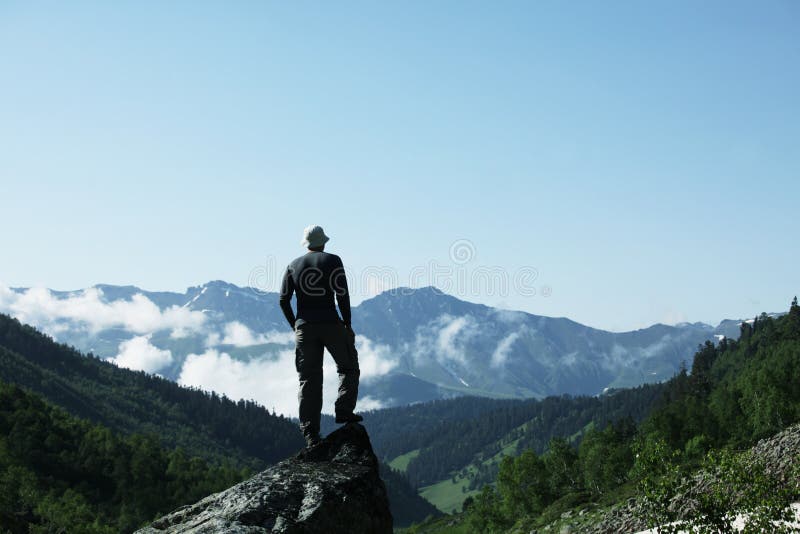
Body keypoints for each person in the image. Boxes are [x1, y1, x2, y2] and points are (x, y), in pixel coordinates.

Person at [279, 225, 361, 447]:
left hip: (305, 326)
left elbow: (283, 301)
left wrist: (295, 325)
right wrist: (347, 324)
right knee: (348, 367)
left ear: (306, 243)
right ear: (323, 241)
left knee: (309, 379)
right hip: (330, 323)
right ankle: (344, 411)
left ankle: (310, 435)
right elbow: (342, 294)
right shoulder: (333, 260)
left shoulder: (292, 265)